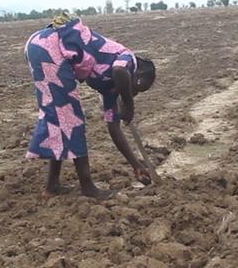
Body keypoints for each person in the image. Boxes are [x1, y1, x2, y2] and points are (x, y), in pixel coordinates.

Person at [25, 13, 156, 198]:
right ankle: (88, 187)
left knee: (61, 118)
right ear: (139, 77)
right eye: (139, 89)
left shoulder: (110, 88)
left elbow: (114, 128)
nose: (135, 92)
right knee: (69, 118)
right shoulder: (128, 58)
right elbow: (120, 71)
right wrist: (129, 104)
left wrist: (136, 165)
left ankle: (52, 185)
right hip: (49, 46)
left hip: (41, 46)